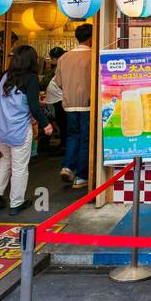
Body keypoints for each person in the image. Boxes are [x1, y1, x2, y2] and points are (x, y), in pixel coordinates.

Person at [0, 45, 54, 216]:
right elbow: (34, 106)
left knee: (6, 158)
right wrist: (46, 124)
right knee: (19, 167)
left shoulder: (5, 75)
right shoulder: (30, 79)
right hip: (17, 130)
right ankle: (16, 202)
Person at [54, 23, 94, 189]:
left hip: (69, 106)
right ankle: (82, 176)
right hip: (87, 105)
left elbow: (58, 82)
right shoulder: (93, 56)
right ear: (92, 37)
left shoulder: (64, 58)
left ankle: (68, 166)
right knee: (86, 140)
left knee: (72, 136)